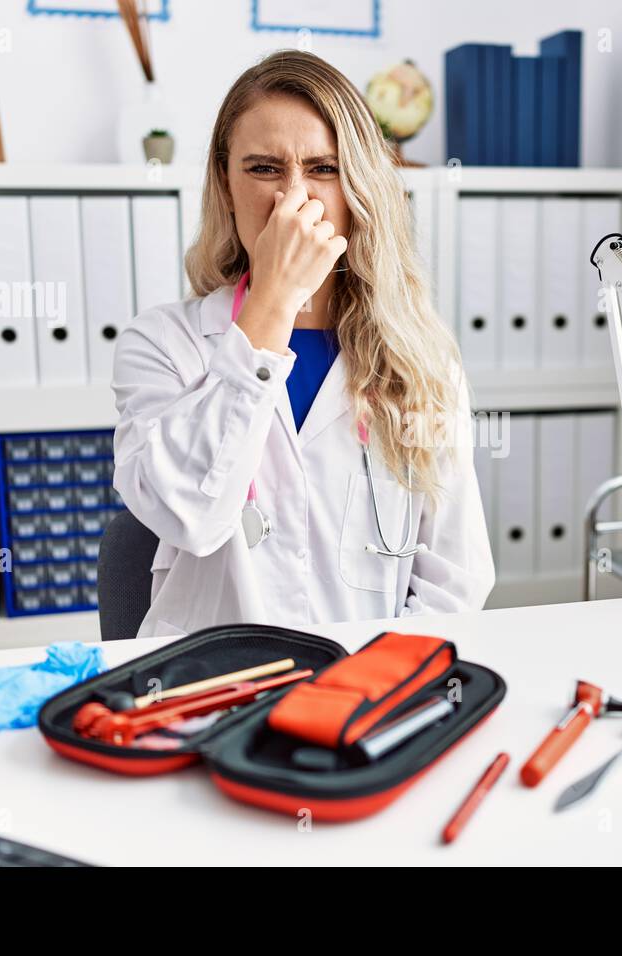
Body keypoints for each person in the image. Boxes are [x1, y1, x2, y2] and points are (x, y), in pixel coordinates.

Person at [111, 50, 495, 638]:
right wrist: (273, 300)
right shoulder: (163, 343)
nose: (295, 199)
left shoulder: (425, 358)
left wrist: (371, 689)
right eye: (264, 169)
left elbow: (455, 581)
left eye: (322, 168)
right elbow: (191, 514)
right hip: (209, 692)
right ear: (225, 182)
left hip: (366, 693)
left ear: (357, 186)